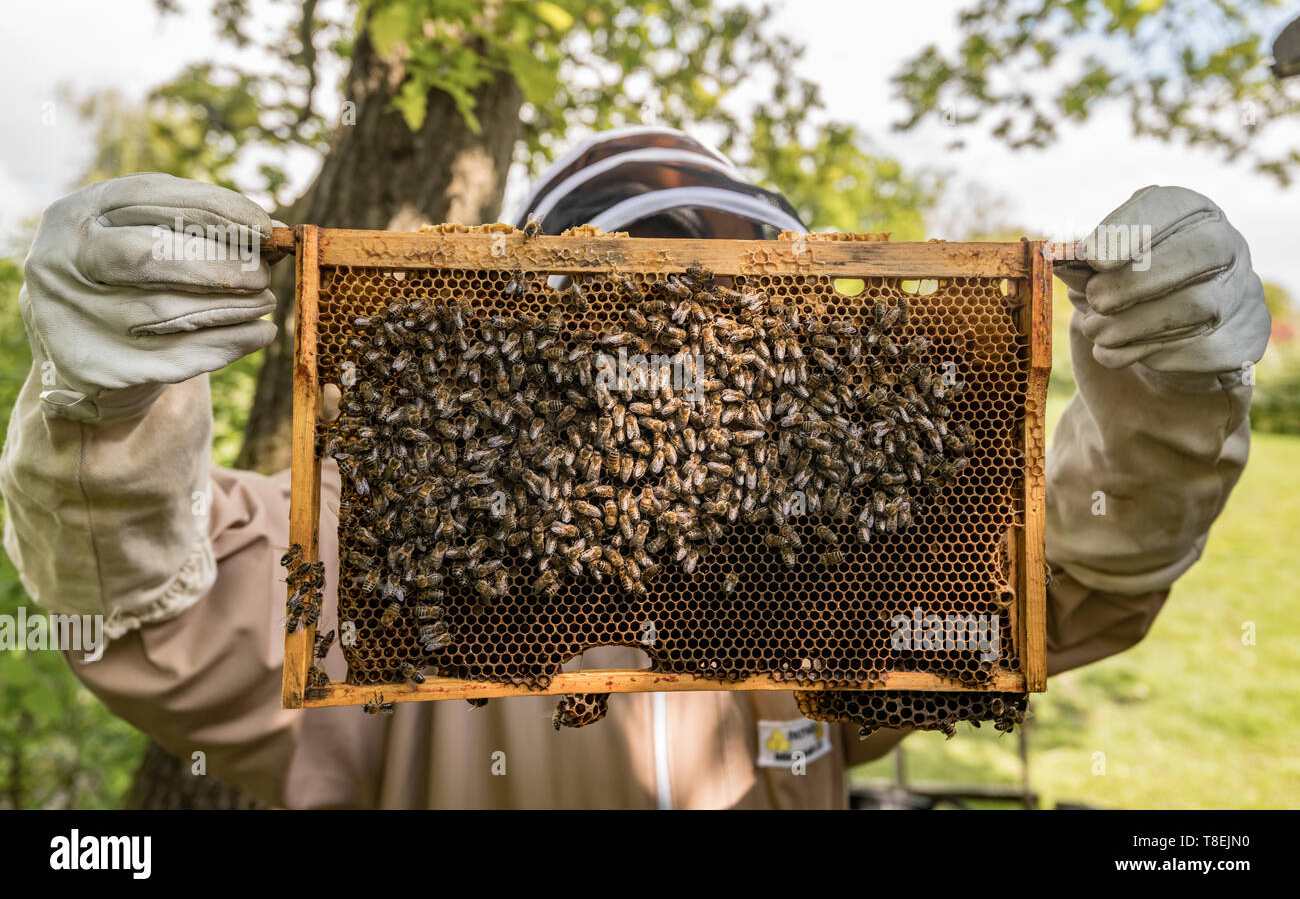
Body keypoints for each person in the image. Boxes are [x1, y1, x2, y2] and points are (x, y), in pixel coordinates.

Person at [0, 127, 1270, 808]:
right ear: (523, 331)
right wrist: (107, 403)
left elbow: (1076, 576)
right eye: (637, 301)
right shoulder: (362, 558)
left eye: (739, 320)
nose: (685, 364)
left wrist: (1161, 404)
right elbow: (137, 599)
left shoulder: (854, 576)